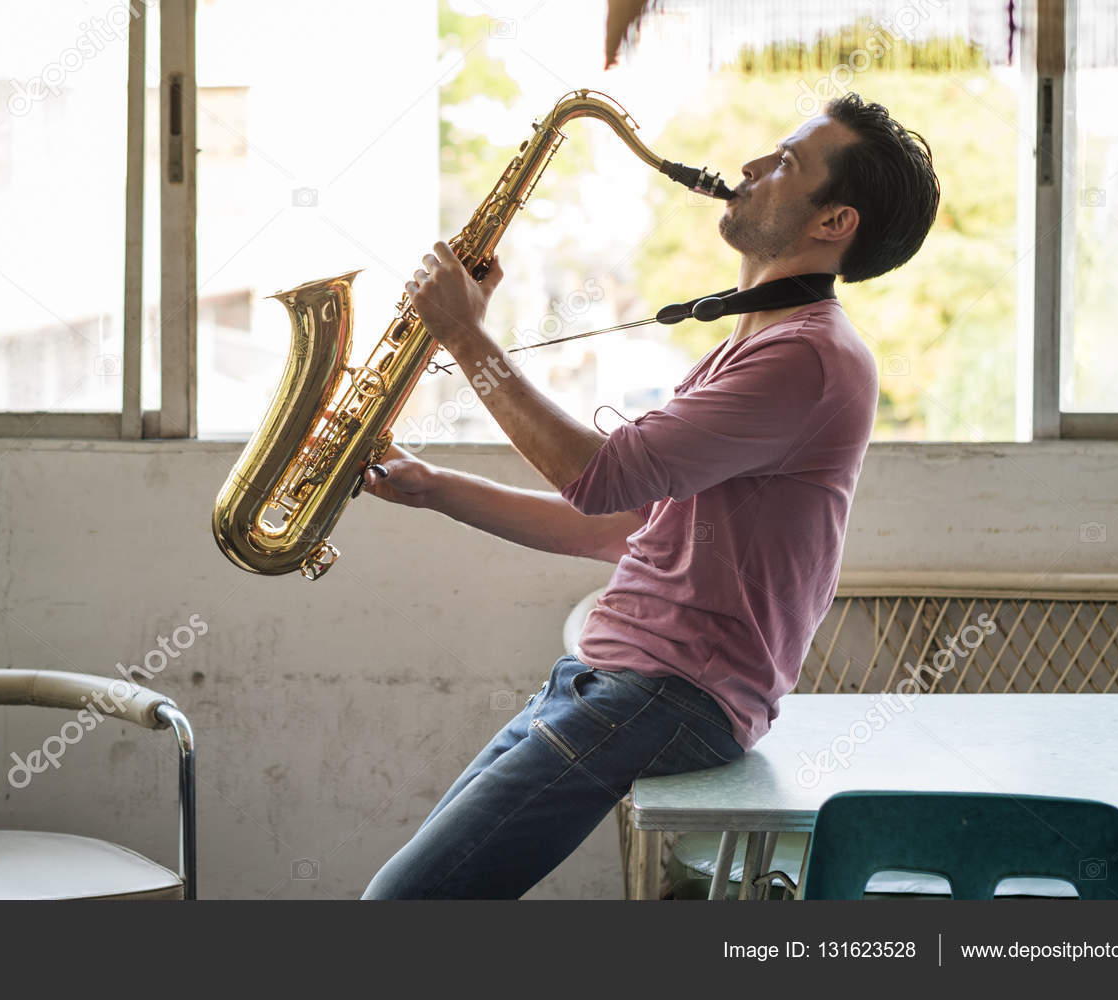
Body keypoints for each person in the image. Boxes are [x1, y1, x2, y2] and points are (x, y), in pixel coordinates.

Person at [358, 93, 940, 899]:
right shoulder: (751, 349)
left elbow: (602, 476)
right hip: (611, 679)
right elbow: (626, 526)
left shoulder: (806, 358)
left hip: (665, 693)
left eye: (786, 163)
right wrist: (434, 488)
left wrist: (465, 334)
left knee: (402, 905)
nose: (749, 167)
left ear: (833, 223)